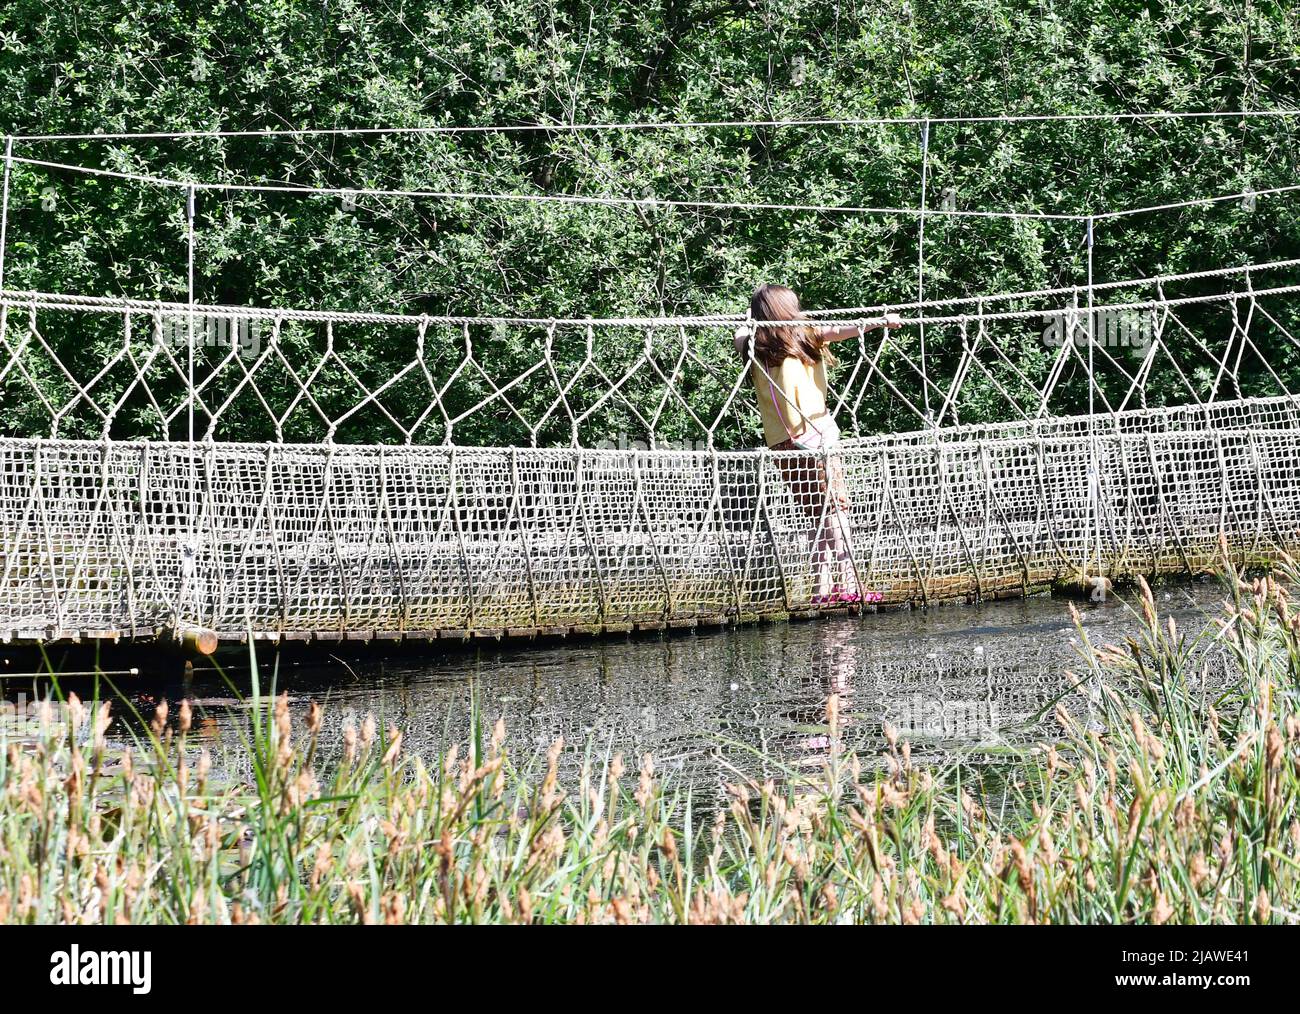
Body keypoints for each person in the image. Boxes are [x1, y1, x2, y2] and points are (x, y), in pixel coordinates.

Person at [735, 284, 901, 605]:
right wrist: (879, 321)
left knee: (815, 514)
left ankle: (821, 591)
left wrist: (750, 319)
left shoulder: (756, 345)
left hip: (782, 444)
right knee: (837, 511)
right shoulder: (802, 334)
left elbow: (739, 333)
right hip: (815, 437)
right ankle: (849, 584)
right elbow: (838, 330)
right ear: (788, 309)